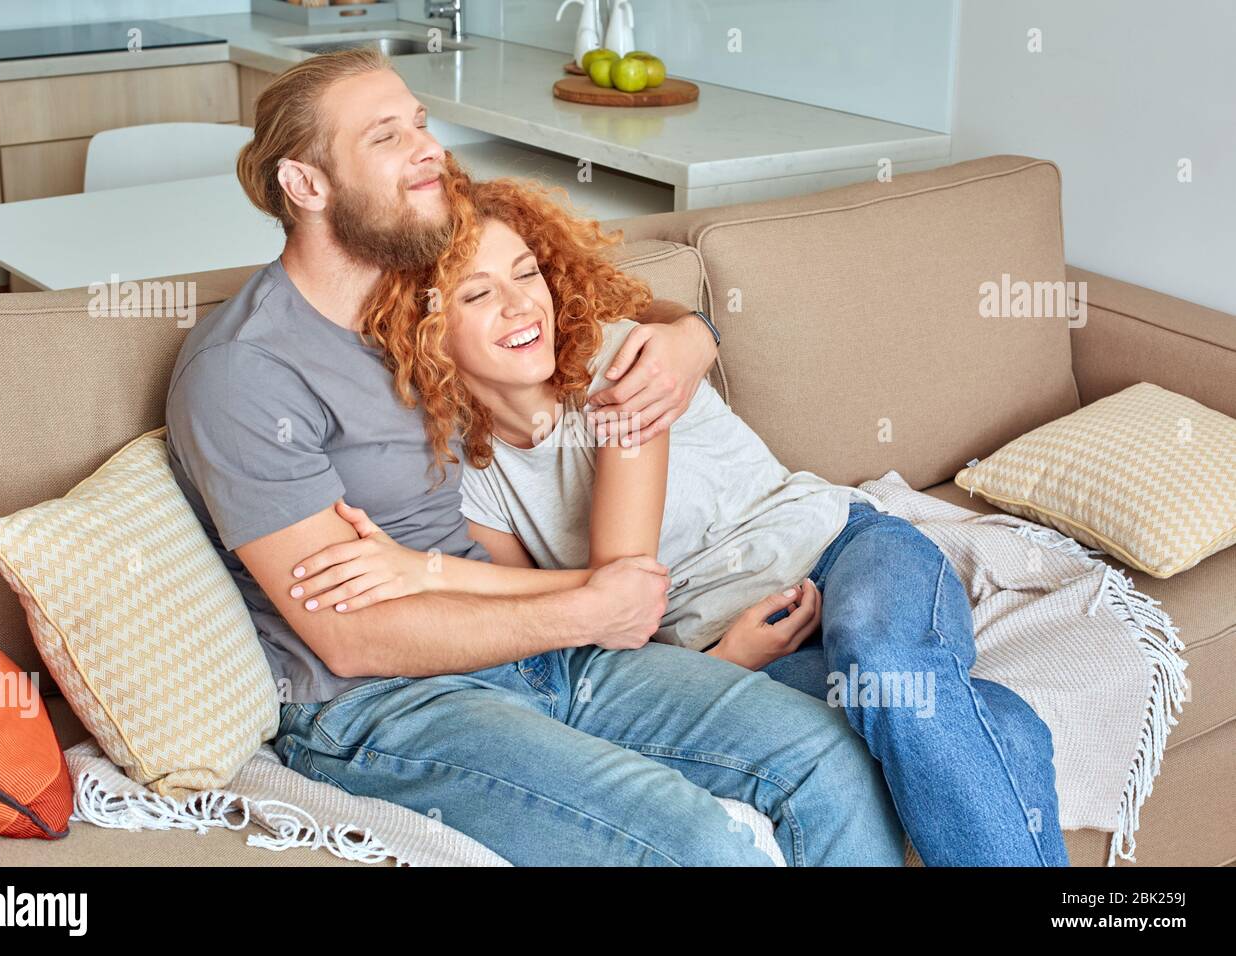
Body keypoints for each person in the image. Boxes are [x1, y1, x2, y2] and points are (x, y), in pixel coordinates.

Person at [164, 47, 905, 866]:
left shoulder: (426, 304)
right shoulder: (245, 372)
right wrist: (590, 608)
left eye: (420, 124)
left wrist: (694, 335)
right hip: (386, 707)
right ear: (306, 185)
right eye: (387, 137)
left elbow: (595, 300)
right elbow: (351, 640)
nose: (428, 150)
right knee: (698, 844)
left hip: (533, 648)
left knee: (827, 761)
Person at [300, 168, 1069, 867]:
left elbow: (620, 583)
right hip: (739, 636)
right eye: (477, 294)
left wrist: (436, 573)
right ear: (427, 328)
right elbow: (564, 615)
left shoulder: (621, 364)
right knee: (960, 722)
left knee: (885, 662)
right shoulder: (466, 475)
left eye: (527, 273)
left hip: (841, 551)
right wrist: (722, 662)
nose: (519, 305)